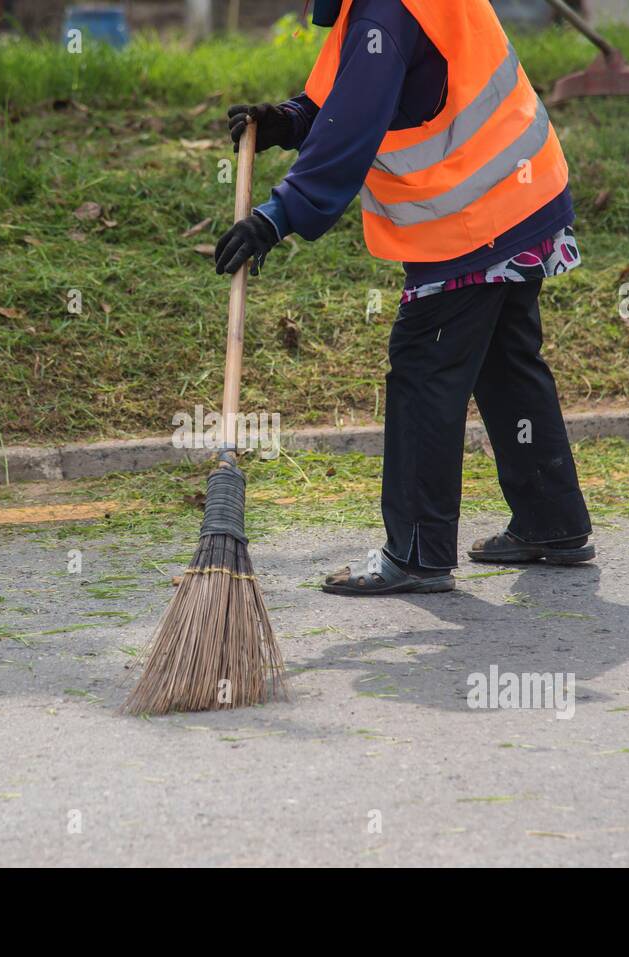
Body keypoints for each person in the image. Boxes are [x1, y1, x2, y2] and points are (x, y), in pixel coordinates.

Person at [213, 0, 595, 597]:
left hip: (473, 220)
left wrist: (276, 216)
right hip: (524, 194)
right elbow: (371, 90)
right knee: (506, 363)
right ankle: (553, 523)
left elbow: (358, 122)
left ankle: (417, 551)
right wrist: (292, 120)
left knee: (423, 368)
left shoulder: (382, 13)